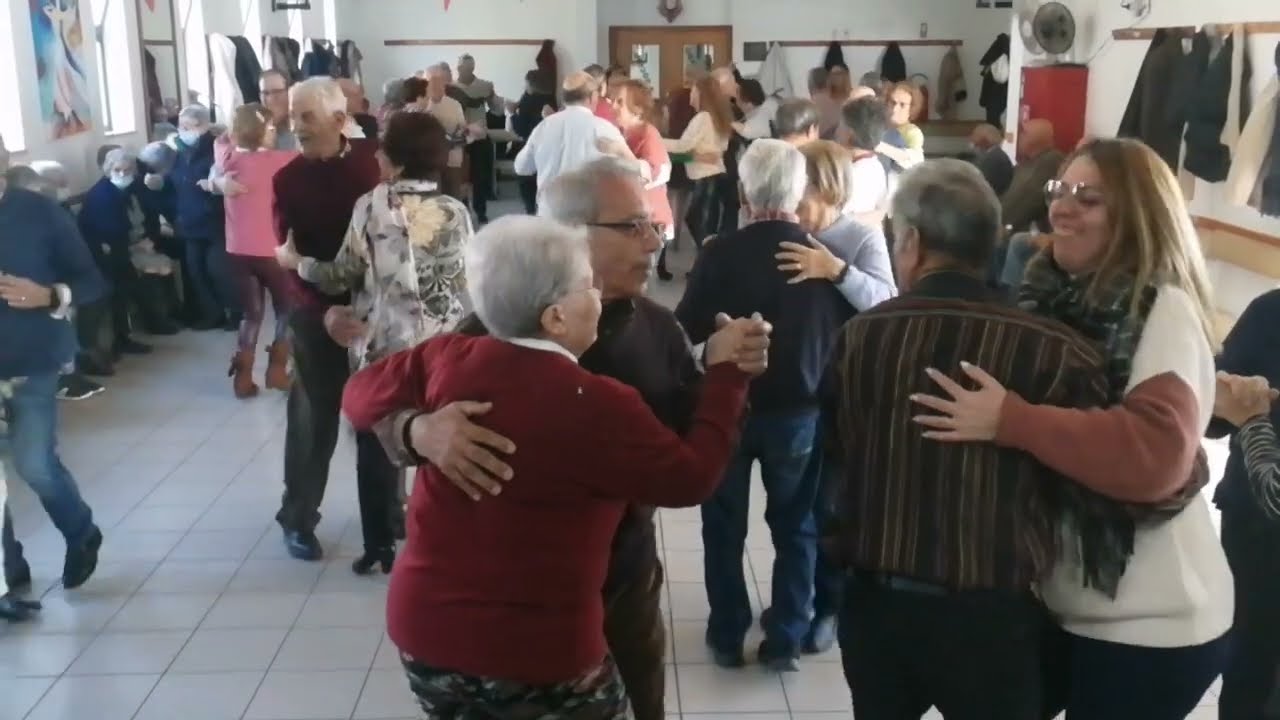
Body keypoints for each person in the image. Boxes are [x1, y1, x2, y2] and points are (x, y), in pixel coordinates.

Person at [368, 158, 771, 720]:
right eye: (633, 225)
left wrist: (728, 377)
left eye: (653, 223)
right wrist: (418, 430)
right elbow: (374, 399)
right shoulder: (491, 330)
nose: (655, 240)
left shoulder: (657, 327)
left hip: (624, 579)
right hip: (516, 605)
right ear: (571, 237)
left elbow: (689, 436)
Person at [912, 138, 1231, 719]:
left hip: (1152, 625)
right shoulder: (1050, 297)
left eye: (1090, 198)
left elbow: (1155, 455)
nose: (1062, 207)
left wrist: (1013, 420)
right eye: (1061, 190)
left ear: (1137, 214)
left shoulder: (1159, 306)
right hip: (1070, 609)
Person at [822, 158, 1115, 719]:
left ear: (909, 242)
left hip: (879, 603)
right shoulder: (1058, 349)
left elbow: (837, 451)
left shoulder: (861, 337)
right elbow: (1085, 476)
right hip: (996, 615)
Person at [676, 139, 855, 672]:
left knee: (723, 524)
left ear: (741, 191)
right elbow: (841, 338)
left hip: (727, 410)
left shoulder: (718, 253)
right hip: (799, 413)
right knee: (797, 525)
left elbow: (684, 328)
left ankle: (727, 634)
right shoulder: (822, 260)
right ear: (800, 192)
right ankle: (787, 638)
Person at [278, 111, 471, 575]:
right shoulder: (456, 210)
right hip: (444, 346)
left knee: (375, 441)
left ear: (398, 161)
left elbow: (340, 272)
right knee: (433, 438)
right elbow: (466, 279)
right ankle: (438, 534)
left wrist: (295, 261)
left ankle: (380, 546)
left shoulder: (373, 205)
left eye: (384, 148)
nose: (377, 154)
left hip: (385, 346)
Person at [272, 77, 381, 560]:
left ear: (340, 121)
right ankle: (297, 517)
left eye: (306, 116)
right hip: (314, 314)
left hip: (375, 316)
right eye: (292, 115)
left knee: (381, 416)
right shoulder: (287, 180)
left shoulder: (374, 166)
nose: (295, 126)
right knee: (313, 422)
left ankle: (386, 511)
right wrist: (324, 313)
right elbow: (286, 258)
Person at [0, 132, 106, 597]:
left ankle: (81, 530)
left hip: (31, 358)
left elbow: (89, 280)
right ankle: (8, 567)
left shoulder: (39, 211)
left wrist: (48, 296)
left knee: (35, 465)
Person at [1210, 288, 1280, 720]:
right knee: (1248, 665)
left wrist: (1254, 420)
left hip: (1266, 502)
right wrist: (1224, 395)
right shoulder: (1270, 312)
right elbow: (1214, 415)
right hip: (1253, 532)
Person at [215, 103, 297, 398]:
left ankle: (242, 378)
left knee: (251, 314)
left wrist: (239, 127)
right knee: (287, 309)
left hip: (237, 249)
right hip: (272, 250)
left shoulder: (227, 157)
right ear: (267, 132)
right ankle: (276, 371)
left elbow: (221, 139)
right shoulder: (284, 160)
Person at [76, 148, 160, 361]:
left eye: (127, 169)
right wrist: (137, 246)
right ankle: (120, 339)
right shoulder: (101, 195)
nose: (122, 174)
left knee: (129, 282)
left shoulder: (132, 188)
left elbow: (148, 214)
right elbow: (110, 232)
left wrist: (148, 239)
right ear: (108, 170)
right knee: (119, 285)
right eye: (117, 170)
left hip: (122, 249)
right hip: (102, 253)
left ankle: (130, 334)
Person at [513, 71, 624, 206]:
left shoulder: (543, 126)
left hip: (549, 212)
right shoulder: (605, 128)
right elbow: (624, 170)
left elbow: (521, 167)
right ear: (593, 97)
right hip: (589, 214)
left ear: (564, 98)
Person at [172, 104, 236, 330]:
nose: (184, 130)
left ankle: (236, 313)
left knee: (220, 270)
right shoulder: (180, 152)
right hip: (190, 222)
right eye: (182, 126)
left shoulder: (217, 149)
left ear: (204, 126)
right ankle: (213, 314)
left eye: (190, 126)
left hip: (215, 221)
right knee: (196, 271)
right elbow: (177, 181)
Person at [604, 80, 674, 282]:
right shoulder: (625, 133)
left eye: (620, 102)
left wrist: (619, 152)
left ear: (637, 109)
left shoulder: (647, 133)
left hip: (649, 221)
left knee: (638, 286)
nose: (614, 106)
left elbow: (652, 173)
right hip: (633, 219)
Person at [664, 74, 734, 248]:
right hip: (715, 176)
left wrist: (656, 140)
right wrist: (694, 155)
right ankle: (705, 262)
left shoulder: (702, 118)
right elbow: (716, 150)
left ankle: (708, 262)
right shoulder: (719, 117)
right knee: (704, 224)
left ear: (703, 94)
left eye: (694, 91)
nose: (691, 95)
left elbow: (682, 146)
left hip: (706, 178)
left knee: (700, 224)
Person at [509, 69, 558, 214]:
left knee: (527, 182)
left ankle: (531, 211)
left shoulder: (528, 101)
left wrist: (512, 114)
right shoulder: (551, 98)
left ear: (531, 85)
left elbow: (521, 129)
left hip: (531, 145)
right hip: (550, 148)